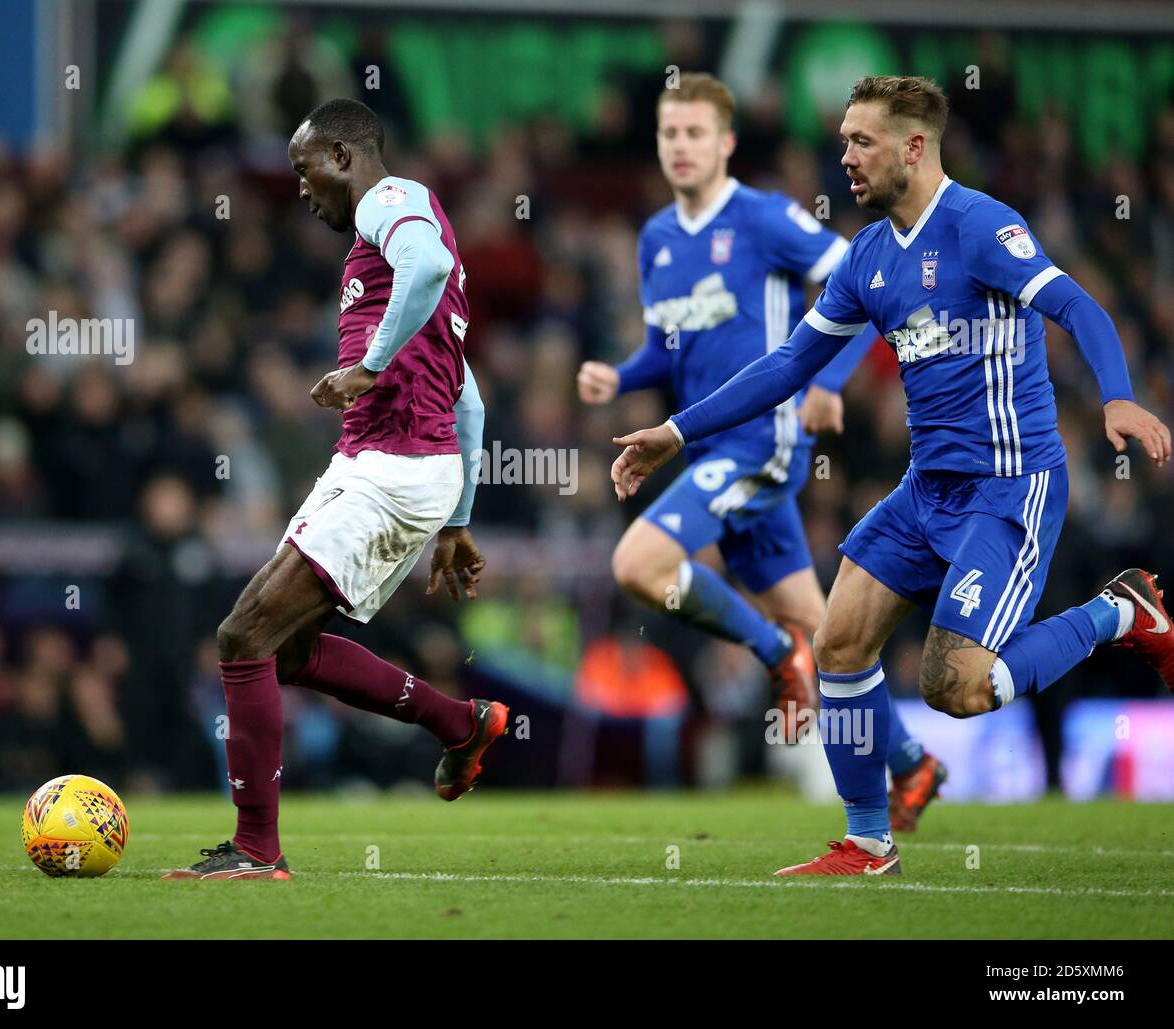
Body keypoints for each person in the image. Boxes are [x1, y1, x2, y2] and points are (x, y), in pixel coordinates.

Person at [610, 76, 1173, 876]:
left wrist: (1118, 395)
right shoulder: (869, 256)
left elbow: (1081, 309)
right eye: (842, 139)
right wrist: (674, 429)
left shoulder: (982, 227)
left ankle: (1120, 612)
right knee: (837, 643)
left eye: (860, 141)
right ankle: (868, 842)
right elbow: (786, 366)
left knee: (957, 687)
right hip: (925, 490)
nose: (844, 156)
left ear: (914, 147)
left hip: (1008, 489)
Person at [580, 73, 944, 823]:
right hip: (709, 445)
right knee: (830, 632)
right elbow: (667, 348)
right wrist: (619, 374)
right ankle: (911, 763)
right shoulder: (655, 239)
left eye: (695, 134)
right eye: (669, 134)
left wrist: (828, 379)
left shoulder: (764, 219)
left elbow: (863, 278)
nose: (681, 148)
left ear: (726, 143)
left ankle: (776, 657)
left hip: (757, 443)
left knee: (637, 564)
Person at [165, 99, 506, 880]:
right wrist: (457, 519)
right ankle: (462, 723)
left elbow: (422, 267)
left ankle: (255, 849)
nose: (300, 186)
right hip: (392, 465)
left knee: (240, 636)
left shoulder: (394, 203)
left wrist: (369, 367)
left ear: (345, 157)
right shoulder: (391, 243)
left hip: (390, 465)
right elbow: (470, 397)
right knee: (283, 649)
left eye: (304, 167)